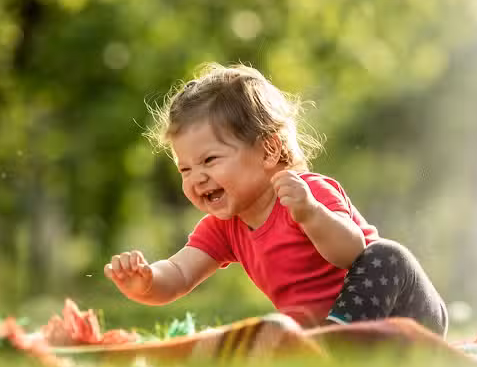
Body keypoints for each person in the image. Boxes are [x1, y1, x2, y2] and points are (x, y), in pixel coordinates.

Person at [103, 63, 449, 336]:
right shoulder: (224, 227)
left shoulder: (307, 193)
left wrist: (310, 214)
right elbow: (178, 273)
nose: (197, 178)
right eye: (185, 169)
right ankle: (332, 344)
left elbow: (352, 252)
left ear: (268, 150)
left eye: (209, 160)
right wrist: (146, 283)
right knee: (270, 329)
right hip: (333, 338)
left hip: (406, 313)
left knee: (387, 254)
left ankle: (339, 340)